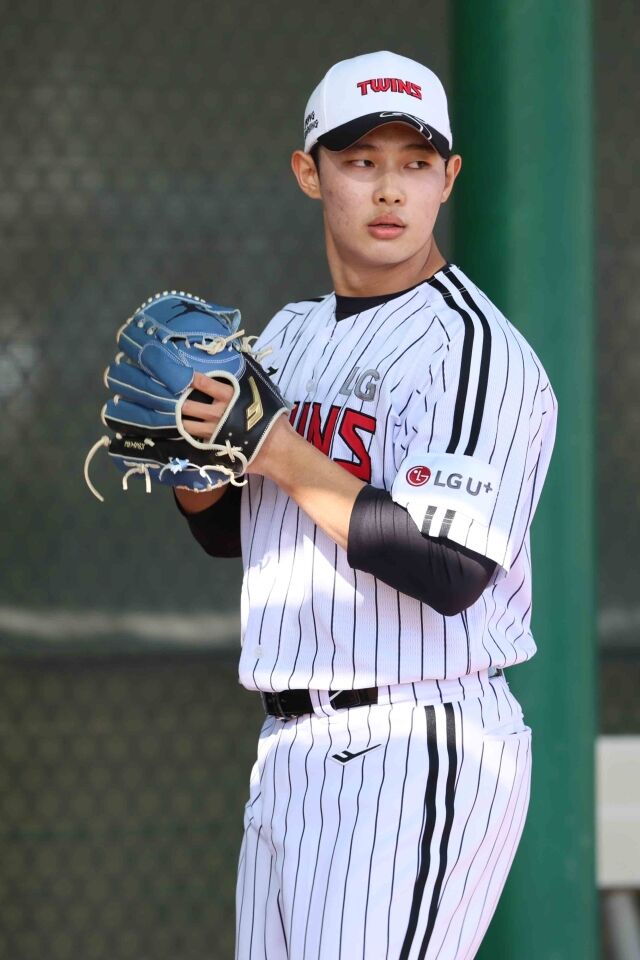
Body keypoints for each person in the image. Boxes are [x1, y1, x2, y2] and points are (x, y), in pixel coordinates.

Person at [174, 50, 557, 960]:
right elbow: (242, 532)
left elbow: (450, 564)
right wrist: (197, 475)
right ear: (310, 173)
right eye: (361, 161)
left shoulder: (471, 350)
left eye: (415, 164)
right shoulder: (293, 334)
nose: (390, 190)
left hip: (416, 744)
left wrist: (275, 448)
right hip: (291, 746)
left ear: (448, 178)